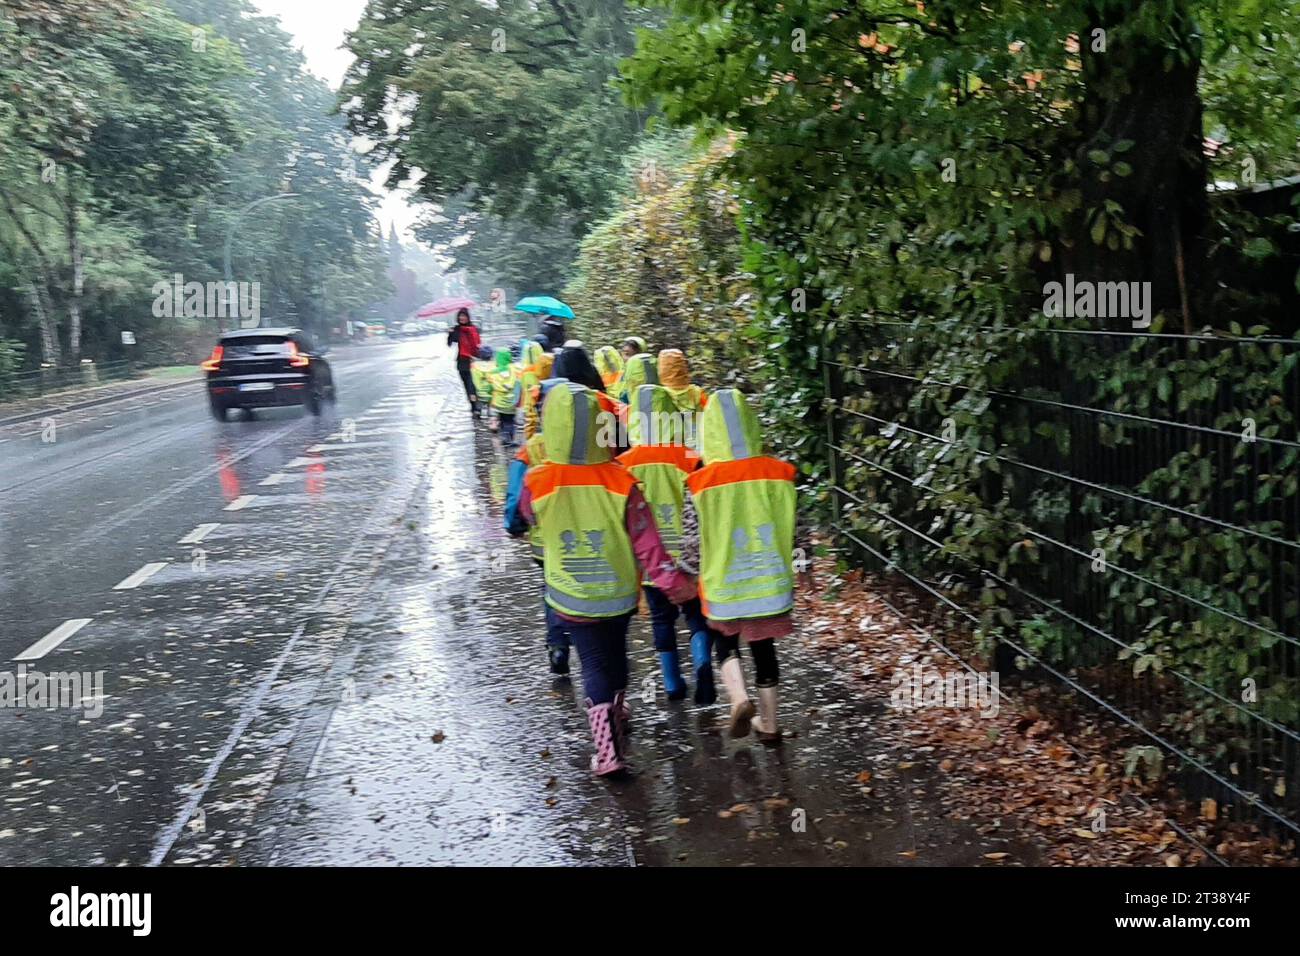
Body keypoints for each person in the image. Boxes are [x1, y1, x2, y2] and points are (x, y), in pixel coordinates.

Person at [520, 382, 696, 776]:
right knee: (616, 661)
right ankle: (615, 716)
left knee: (593, 664)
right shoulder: (622, 482)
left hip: (569, 595)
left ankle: (607, 749)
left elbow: (525, 520)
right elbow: (649, 545)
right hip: (616, 595)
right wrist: (677, 586)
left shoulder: (538, 481)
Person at [683, 389, 796, 744]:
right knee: (765, 650)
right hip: (768, 581)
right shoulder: (779, 473)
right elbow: (797, 527)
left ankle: (738, 698)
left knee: (724, 643)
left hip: (724, 584)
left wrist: (689, 568)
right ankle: (771, 724)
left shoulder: (700, 482)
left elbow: (690, 540)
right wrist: (802, 565)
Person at [617, 385, 717, 703]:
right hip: (688, 555)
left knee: (661, 619)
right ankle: (703, 666)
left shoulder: (625, 464)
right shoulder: (690, 458)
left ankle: (672, 683)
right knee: (696, 616)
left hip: (651, 561)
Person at [504, 378, 572, 675]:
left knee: (552, 590)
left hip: (545, 540)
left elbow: (516, 491)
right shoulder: (592, 442)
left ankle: (558, 645)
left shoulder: (531, 449)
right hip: (587, 533)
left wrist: (514, 523)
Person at [446, 309, 482, 414]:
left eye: (464, 316)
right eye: (460, 316)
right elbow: (450, 343)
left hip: (472, 360)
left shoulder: (473, 328)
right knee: (466, 385)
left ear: (468, 317)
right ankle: (473, 406)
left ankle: (477, 407)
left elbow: (478, 343)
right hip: (461, 362)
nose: (462, 318)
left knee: (472, 385)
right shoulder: (457, 329)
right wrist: (450, 334)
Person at [486, 347, 521, 445]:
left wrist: (489, 394)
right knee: (511, 420)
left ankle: (505, 436)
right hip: (512, 402)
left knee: (502, 419)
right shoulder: (515, 370)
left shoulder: (493, 373)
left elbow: (490, 388)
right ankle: (512, 437)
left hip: (499, 402)